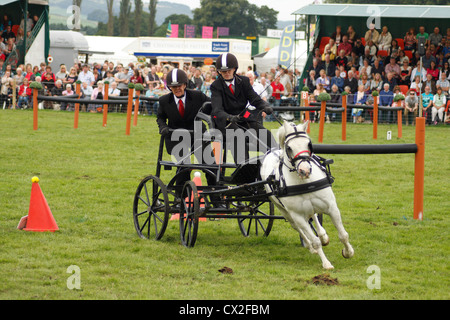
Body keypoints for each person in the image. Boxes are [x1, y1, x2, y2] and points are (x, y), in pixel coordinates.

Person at [156, 68, 217, 199]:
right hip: (176, 137)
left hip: (198, 135)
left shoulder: (198, 96)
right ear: (169, 87)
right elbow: (160, 117)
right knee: (183, 167)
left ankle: (216, 198)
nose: (177, 89)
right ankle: (181, 198)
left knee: (211, 165)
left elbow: (212, 108)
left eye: (179, 86)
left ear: (185, 84)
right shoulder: (164, 101)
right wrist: (163, 127)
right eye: (173, 87)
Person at [210, 53, 275, 164]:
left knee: (265, 133)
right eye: (223, 71)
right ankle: (244, 168)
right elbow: (217, 110)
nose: (226, 73)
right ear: (219, 72)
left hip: (243, 118)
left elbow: (254, 99)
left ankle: (275, 161)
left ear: (235, 69)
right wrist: (229, 117)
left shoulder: (244, 81)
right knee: (238, 135)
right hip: (226, 123)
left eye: (228, 70)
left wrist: (265, 106)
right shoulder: (216, 86)